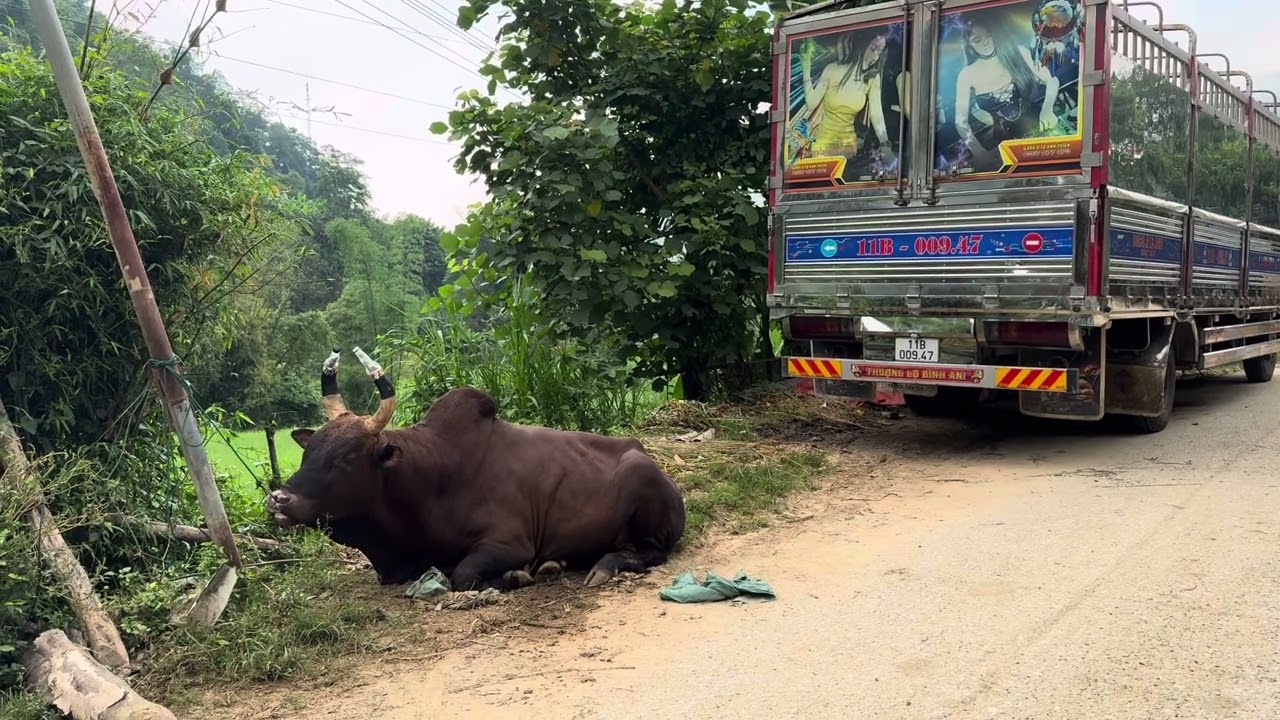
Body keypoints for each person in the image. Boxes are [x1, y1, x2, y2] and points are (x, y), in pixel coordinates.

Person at [952, 15, 1061, 171]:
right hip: (1005, 146)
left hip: (1041, 129)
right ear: (969, 44)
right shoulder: (966, 75)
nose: (985, 42)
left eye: (988, 35)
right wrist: (979, 152)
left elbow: (1052, 81)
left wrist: (1047, 109)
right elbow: (960, 122)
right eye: (977, 40)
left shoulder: (1017, 52)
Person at [797, 32, 893, 163]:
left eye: (879, 51)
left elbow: (877, 115)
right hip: (822, 147)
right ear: (863, 44)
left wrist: (885, 144)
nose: (875, 56)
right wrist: (806, 67)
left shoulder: (872, 78)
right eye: (873, 48)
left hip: (848, 148)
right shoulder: (832, 69)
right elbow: (811, 104)